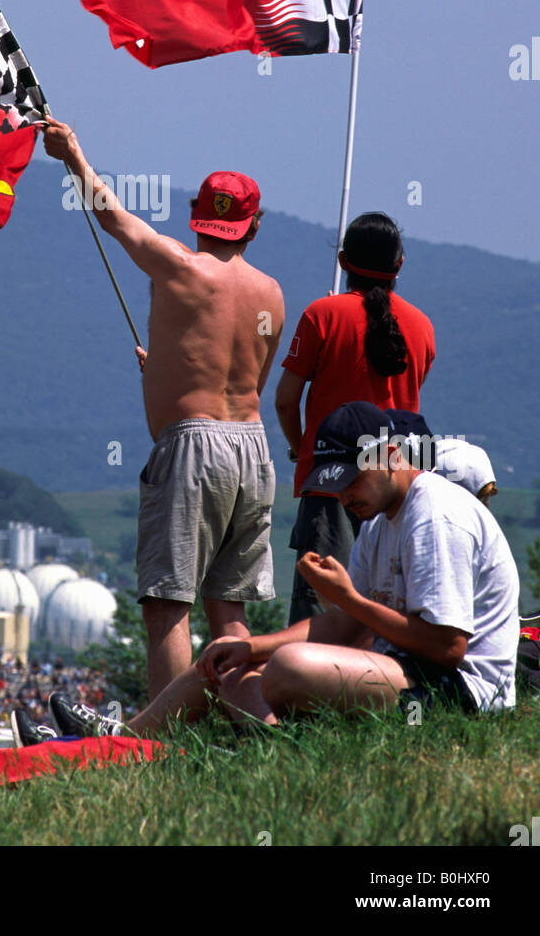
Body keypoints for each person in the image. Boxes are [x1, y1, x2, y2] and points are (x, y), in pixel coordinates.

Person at [36, 402, 520, 742]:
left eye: (351, 479)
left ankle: (263, 740)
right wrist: (250, 646)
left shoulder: (434, 513)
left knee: (290, 666)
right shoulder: (378, 522)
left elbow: (448, 647)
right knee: (226, 669)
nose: (343, 496)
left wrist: (348, 599)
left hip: (457, 692)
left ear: (391, 457)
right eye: (333, 485)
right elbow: (342, 626)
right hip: (409, 672)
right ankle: (129, 737)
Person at [41, 117, 284, 698]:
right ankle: (242, 724)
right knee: (229, 609)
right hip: (252, 447)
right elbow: (249, 377)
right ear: (252, 226)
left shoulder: (180, 266)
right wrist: (174, 370)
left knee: (167, 601)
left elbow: (113, 217)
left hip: (194, 449)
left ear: (200, 217)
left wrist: (73, 155)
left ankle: (170, 737)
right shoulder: (272, 293)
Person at [275, 212, 435, 624]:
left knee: (321, 609)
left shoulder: (321, 315)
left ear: (343, 261)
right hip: (397, 488)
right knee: (389, 607)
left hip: (331, 484)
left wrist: (301, 449)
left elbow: (285, 401)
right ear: (399, 265)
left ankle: (312, 689)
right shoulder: (422, 327)